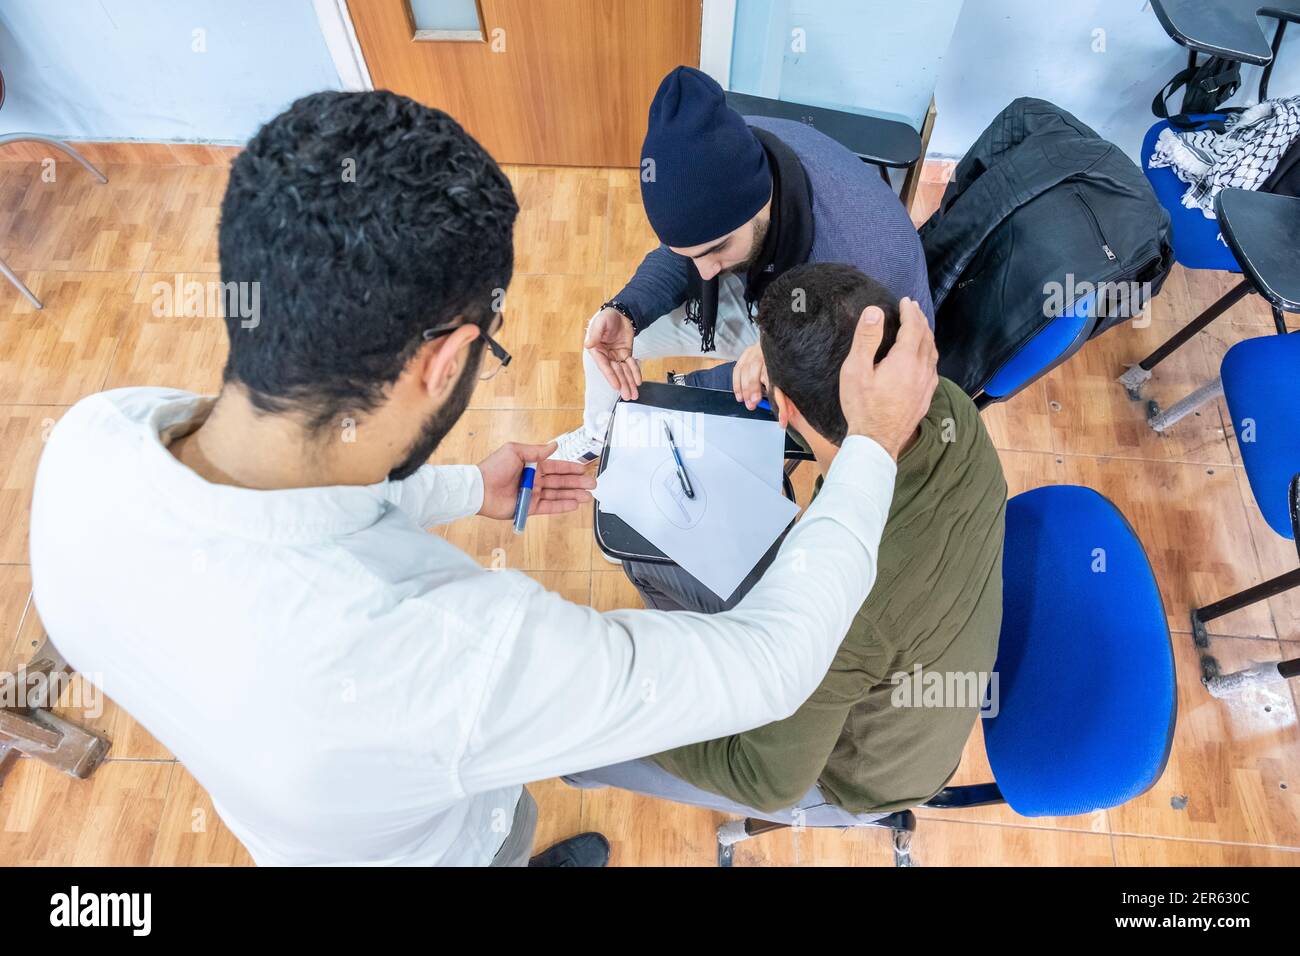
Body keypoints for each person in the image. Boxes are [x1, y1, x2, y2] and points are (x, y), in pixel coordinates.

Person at [27, 92, 939, 866]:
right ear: (448, 359)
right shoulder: (460, 663)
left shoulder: (87, 440)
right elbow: (769, 667)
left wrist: (467, 487)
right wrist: (870, 448)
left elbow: (301, 498)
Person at [566, 263, 1006, 825]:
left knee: (586, 733)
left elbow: (766, 779)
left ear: (786, 409)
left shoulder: (840, 608)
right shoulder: (949, 408)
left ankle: (592, 745)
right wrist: (780, 368)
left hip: (852, 778)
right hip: (916, 659)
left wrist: (621, 709)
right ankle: (715, 661)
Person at [551, 65, 933, 464]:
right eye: (692, 254)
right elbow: (688, 253)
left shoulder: (857, 266)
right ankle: (600, 435)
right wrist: (626, 309)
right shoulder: (732, 149)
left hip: (853, 349)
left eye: (717, 247)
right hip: (781, 290)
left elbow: (834, 390)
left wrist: (683, 392)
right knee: (605, 333)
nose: (704, 272)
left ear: (760, 204)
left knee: (701, 437)